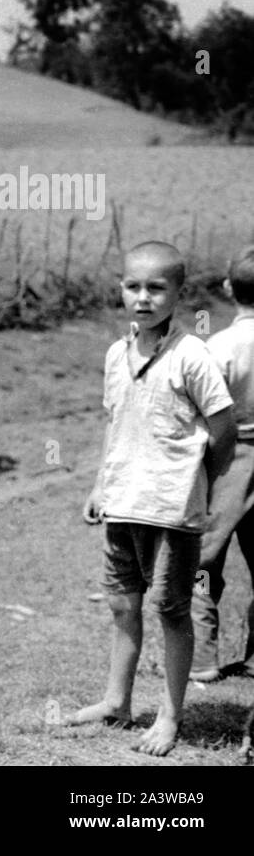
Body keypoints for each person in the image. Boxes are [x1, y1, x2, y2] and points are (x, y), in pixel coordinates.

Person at [74, 241, 236, 755]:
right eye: (132, 286)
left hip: (172, 511)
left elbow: (224, 429)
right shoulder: (115, 354)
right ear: (121, 288)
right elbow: (114, 423)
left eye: (156, 288)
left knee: (170, 609)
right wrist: (101, 483)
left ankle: (169, 715)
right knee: (123, 603)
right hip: (123, 502)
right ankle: (115, 702)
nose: (142, 298)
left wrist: (200, 482)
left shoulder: (193, 355)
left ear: (178, 293)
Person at [191, 246, 254, 681]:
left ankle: (202, 658)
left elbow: (203, 417)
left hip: (231, 458)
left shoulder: (219, 346)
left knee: (203, 559)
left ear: (229, 288)